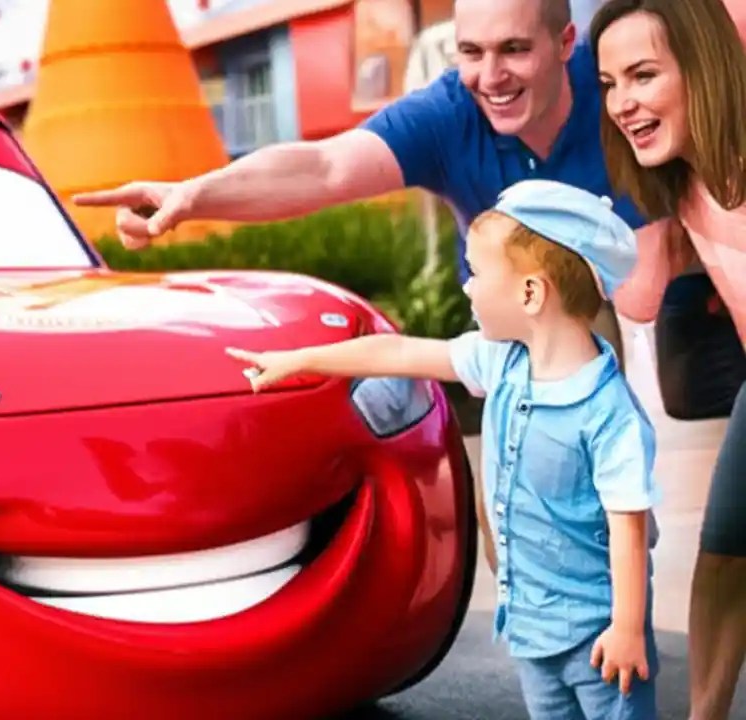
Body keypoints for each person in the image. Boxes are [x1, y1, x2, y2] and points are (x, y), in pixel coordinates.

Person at [73, 0, 641, 576]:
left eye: (514, 49)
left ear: (564, 44)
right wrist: (195, 195)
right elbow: (325, 167)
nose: (491, 76)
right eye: (471, 52)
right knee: (517, 521)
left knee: (608, 502)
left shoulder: (615, 81)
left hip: (612, 317)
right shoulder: (450, 114)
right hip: (517, 331)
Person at [227, 179, 660, 719]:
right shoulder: (503, 362)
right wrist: (301, 359)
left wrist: (626, 628)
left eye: (476, 273)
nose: (466, 287)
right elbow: (399, 353)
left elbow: (628, 528)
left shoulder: (608, 414)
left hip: (600, 636)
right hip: (532, 627)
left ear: (530, 294)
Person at [592, 1, 746, 717]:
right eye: (610, 84)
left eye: (643, 75)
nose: (622, 102)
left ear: (703, 67)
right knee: (724, 554)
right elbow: (637, 298)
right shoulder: (679, 187)